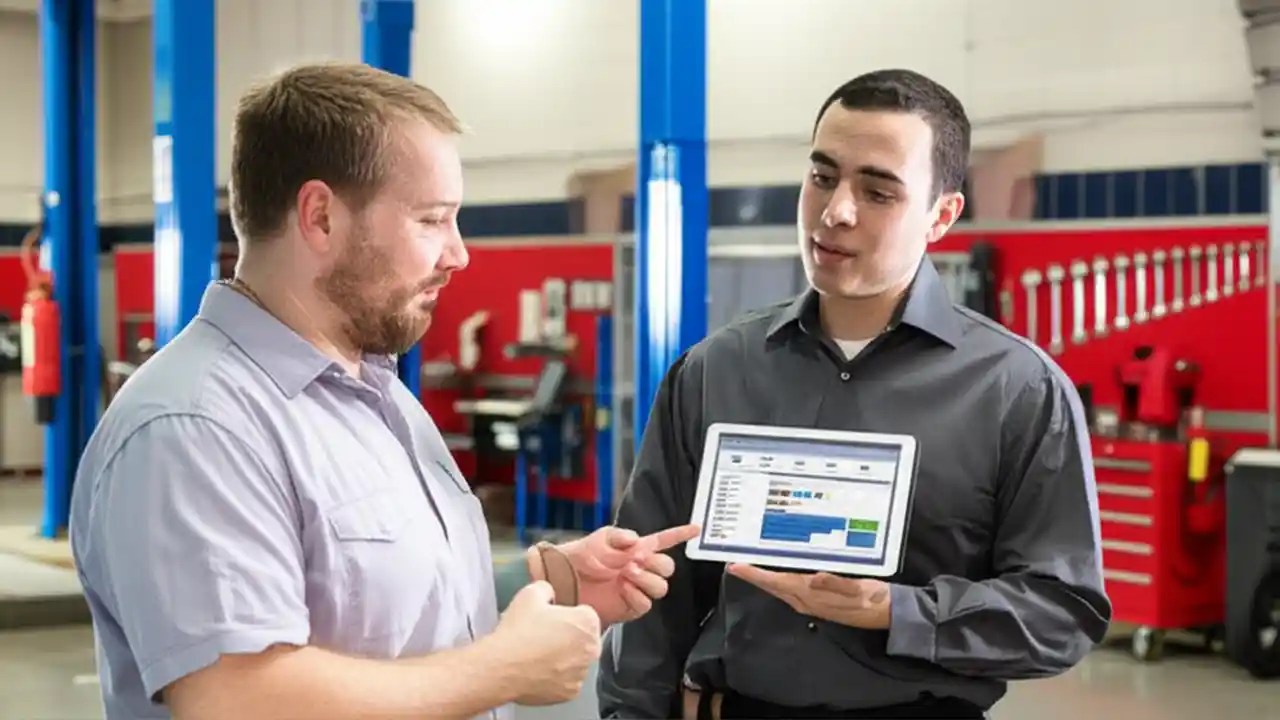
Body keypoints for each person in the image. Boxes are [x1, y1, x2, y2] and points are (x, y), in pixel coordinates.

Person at [68, 62, 697, 720]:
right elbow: (240, 698)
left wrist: (543, 579)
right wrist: (503, 669)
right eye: (433, 220)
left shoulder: (376, 395)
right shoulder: (194, 427)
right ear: (320, 217)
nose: (459, 254)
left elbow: (379, 617)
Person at [597, 68, 1112, 719]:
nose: (836, 210)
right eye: (822, 177)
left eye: (877, 191)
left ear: (941, 216)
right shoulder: (713, 371)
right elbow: (651, 591)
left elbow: (1062, 613)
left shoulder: (1015, 391)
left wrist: (898, 611)